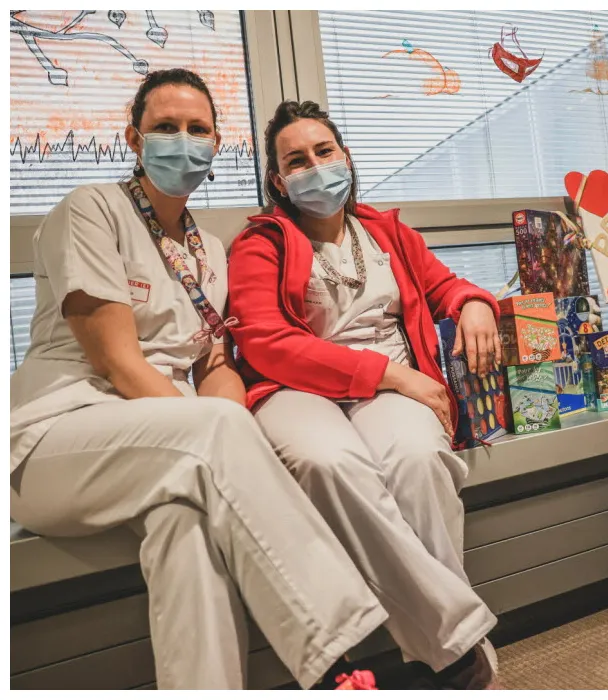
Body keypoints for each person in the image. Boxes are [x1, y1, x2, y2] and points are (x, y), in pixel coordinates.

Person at [9, 69, 395, 689]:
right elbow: (118, 363)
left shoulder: (209, 251)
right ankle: (337, 656)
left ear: (217, 143)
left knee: (183, 526)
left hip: (160, 448)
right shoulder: (92, 209)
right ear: (134, 139)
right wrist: (226, 434)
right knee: (219, 428)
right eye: (165, 127)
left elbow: (213, 363)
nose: (183, 141)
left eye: (197, 129)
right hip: (58, 439)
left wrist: (231, 434)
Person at [226, 100, 501, 689]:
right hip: (299, 387)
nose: (314, 166)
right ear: (278, 181)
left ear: (346, 157)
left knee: (418, 461)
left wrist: (474, 303)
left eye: (324, 151)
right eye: (296, 160)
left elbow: (445, 286)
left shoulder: (387, 232)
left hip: (392, 385)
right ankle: (455, 643)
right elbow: (267, 343)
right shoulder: (259, 244)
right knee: (325, 462)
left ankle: (436, 650)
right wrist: (392, 376)